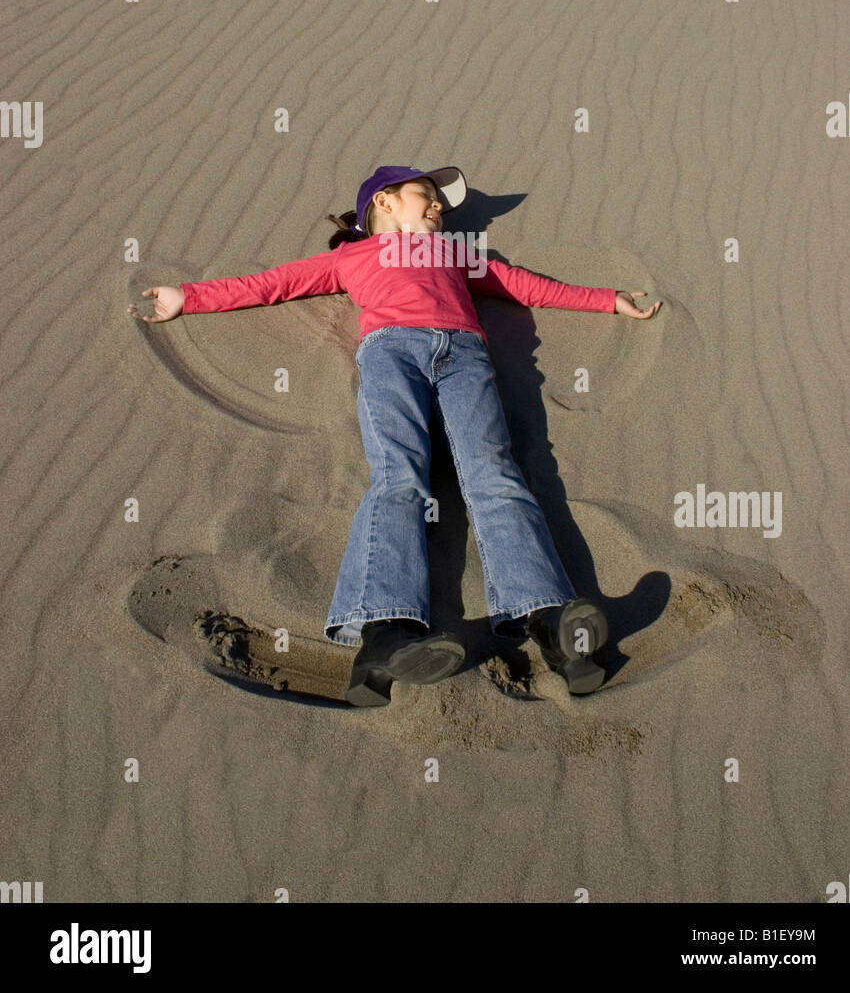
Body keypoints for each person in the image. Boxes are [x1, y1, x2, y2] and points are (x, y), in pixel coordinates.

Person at [128, 164, 661, 707]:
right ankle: (384, 634)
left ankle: (551, 623)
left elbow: (519, 284)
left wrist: (607, 299)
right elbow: (274, 284)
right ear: (383, 201)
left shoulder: (453, 255)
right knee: (399, 477)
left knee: (494, 473)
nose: (437, 208)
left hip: (466, 359)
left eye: (439, 203)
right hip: (390, 353)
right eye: (425, 196)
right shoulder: (352, 256)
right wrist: (187, 298)